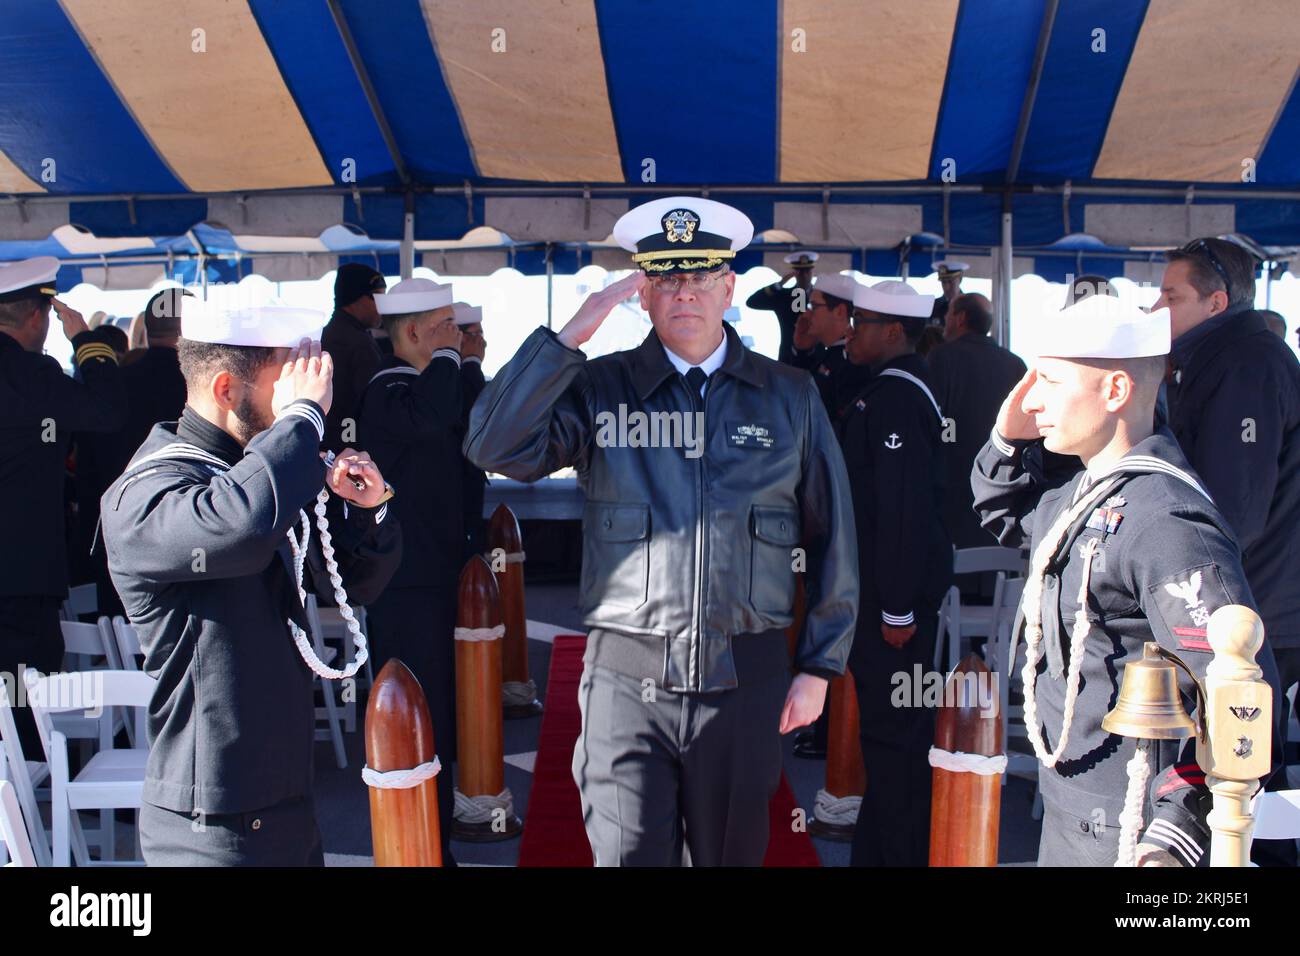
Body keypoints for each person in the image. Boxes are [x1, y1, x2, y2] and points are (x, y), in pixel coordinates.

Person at [465, 197, 858, 866]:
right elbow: (491, 444)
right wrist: (568, 338)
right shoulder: (599, 387)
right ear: (643, 294)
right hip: (624, 679)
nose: (684, 294)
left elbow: (833, 534)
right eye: (667, 279)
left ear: (727, 288)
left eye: (700, 277)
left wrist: (821, 665)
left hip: (745, 674)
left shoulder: (788, 395)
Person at [971, 294, 1284, 866]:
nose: (1032, 399)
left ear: (1115, 391)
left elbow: (1246, 696)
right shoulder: (1084, 494)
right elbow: (1006, 513)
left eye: (1050, 380)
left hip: (1129, 819)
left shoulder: (1163, 518)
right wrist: (1006, 439)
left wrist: (1177, 831)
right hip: (1072, 797)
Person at [100, 301, 401, 865]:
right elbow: (236, 529)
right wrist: (300, 420)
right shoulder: (147, 492)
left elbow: (358, 584)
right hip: (208, 823)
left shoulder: (258, 477)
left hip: (287, 798)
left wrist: (369, 509)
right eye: (285, 385)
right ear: (224, 390)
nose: (303, 400)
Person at [1154, 237, 1300, 865]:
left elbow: (1235, 508)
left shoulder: (1245, 362)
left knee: (1243, 768)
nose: (1157, 308)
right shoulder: (1218, 357)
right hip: (1250, 600)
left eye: (1171, 296)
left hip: (1254, 607)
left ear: (1215, 303)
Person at [837, 280, 953, 866]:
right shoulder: (887, 391)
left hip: (894, 607)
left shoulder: (898, 398)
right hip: (884, 597)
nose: (850, 332)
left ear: (892, 331)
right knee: (885, 737)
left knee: (898, 737)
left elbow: (902, 509)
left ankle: (900, 856)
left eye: (861, 322)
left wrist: (898, 609)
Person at [357, 277, 465, 863]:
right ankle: (424, 848)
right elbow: (430, 415)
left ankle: (433, 842)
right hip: (408, 586)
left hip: (427, 578)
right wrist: (449, 356)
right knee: (419, 717)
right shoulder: (388, 391)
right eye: (447, 327)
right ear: (418, 331)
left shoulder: (410, 389)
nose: (458, 337)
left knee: (438, 716)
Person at [0, 256, 125, 758]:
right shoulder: (35, 374)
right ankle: (31, 825)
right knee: (27, 705)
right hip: (23, 576)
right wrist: (88, 346)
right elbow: (107, 412)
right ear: (38, 316)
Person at [75, 287, 191, 616]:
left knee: (116, 656)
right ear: (190, 328)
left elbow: (88, 475)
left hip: (115, 550)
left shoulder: (108, 390)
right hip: (186, 555)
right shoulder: (201, 389)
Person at [927, 292, 1027, 552]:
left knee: (955, 587)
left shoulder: (941, 358)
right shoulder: (1016, 365)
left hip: (951, 501)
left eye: (948, 315)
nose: (944, 322)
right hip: (1002, 501)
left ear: (960, 319)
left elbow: (931, 426)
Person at [788, 273, 872, 423]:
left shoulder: (853, 360)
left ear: (839, 311)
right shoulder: (827, 352)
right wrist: (802, 351)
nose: (807, 313)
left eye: (814, 306)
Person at [321, 263, 387, 452]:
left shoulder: (329, 334)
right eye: (378, 297)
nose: (383, 306)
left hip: (331, 449)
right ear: (355, 298)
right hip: (349, 453)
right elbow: (374, 404)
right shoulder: (356, 341)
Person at [453, 302, 489, 559]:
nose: (483, 343)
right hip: (456, 475)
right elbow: (477, 411)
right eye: (475, 335)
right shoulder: (454, 373)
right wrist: (472, 362)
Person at [746, 250, 818, 364]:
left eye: (807, 271)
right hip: (789, 357)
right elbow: (753, 302)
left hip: (817, 357)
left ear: (813, 271)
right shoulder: (784, 296)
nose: (804, 275)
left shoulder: (821, 297)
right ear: (794, 273)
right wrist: (779, 284)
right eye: (800, 271)